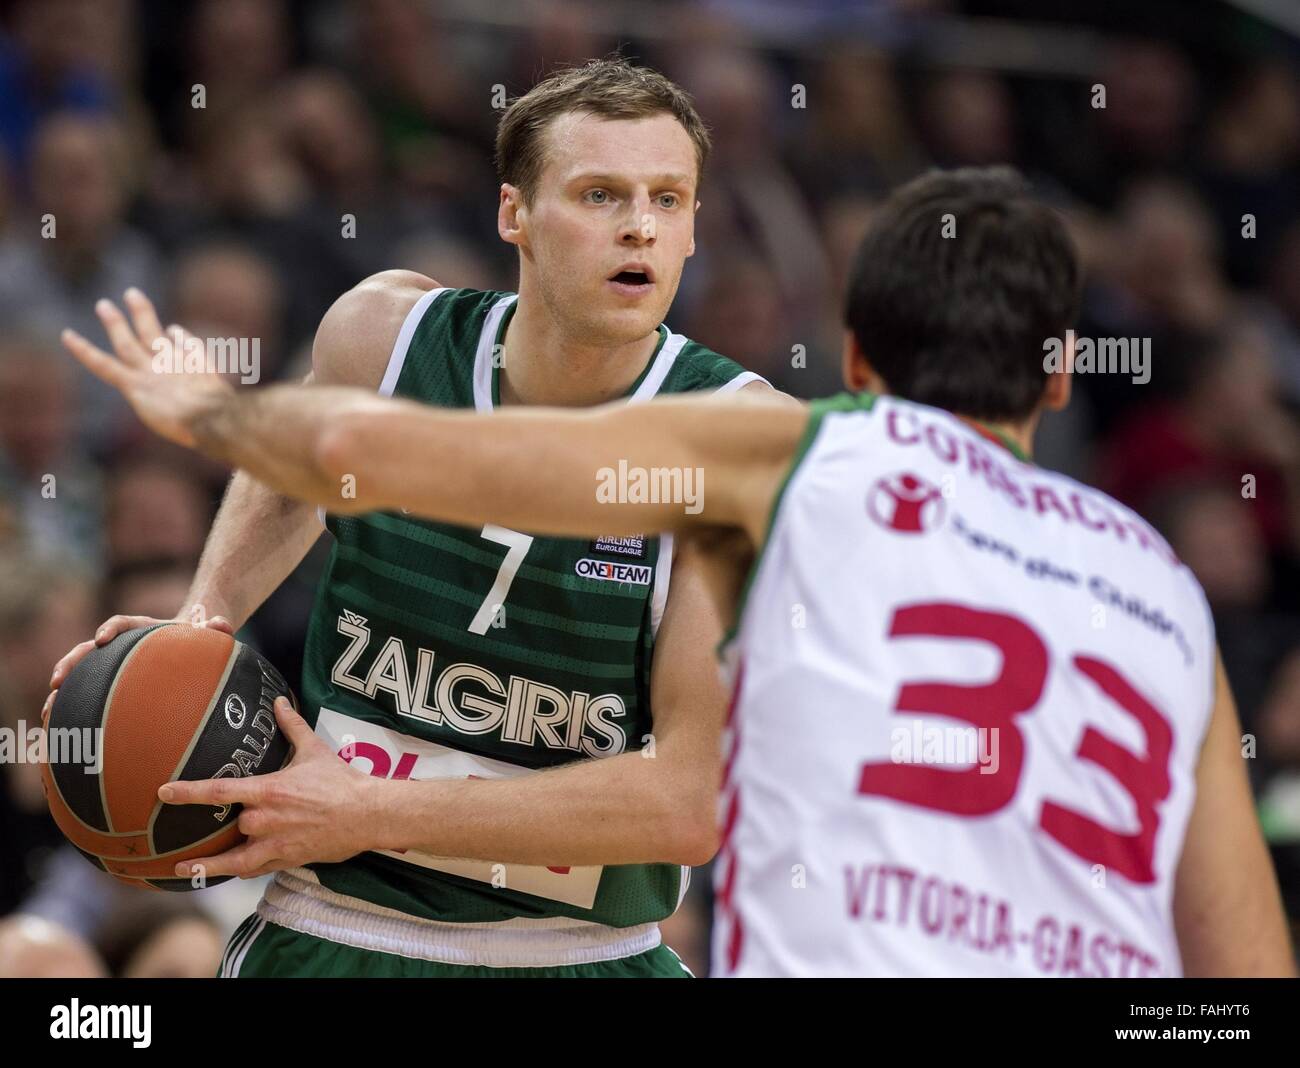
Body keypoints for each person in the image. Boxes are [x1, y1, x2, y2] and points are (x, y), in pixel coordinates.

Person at [64, 165, 1295, 977]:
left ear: (854, 359)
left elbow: (358, 444)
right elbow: (1241, 970)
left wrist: (208, 409)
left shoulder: (779, 449)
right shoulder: (1159, 592)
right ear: (1064, 374)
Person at [52, 58, 774, 979]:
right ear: (514, 215)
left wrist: (368, 811)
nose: (640, 225)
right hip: (335, 931)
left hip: (585, 954)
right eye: (600, 194)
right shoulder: (382, 340)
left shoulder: (738, 440)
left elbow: (686, 803)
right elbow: (295, 472)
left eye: (668, 200)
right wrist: (204, 622)